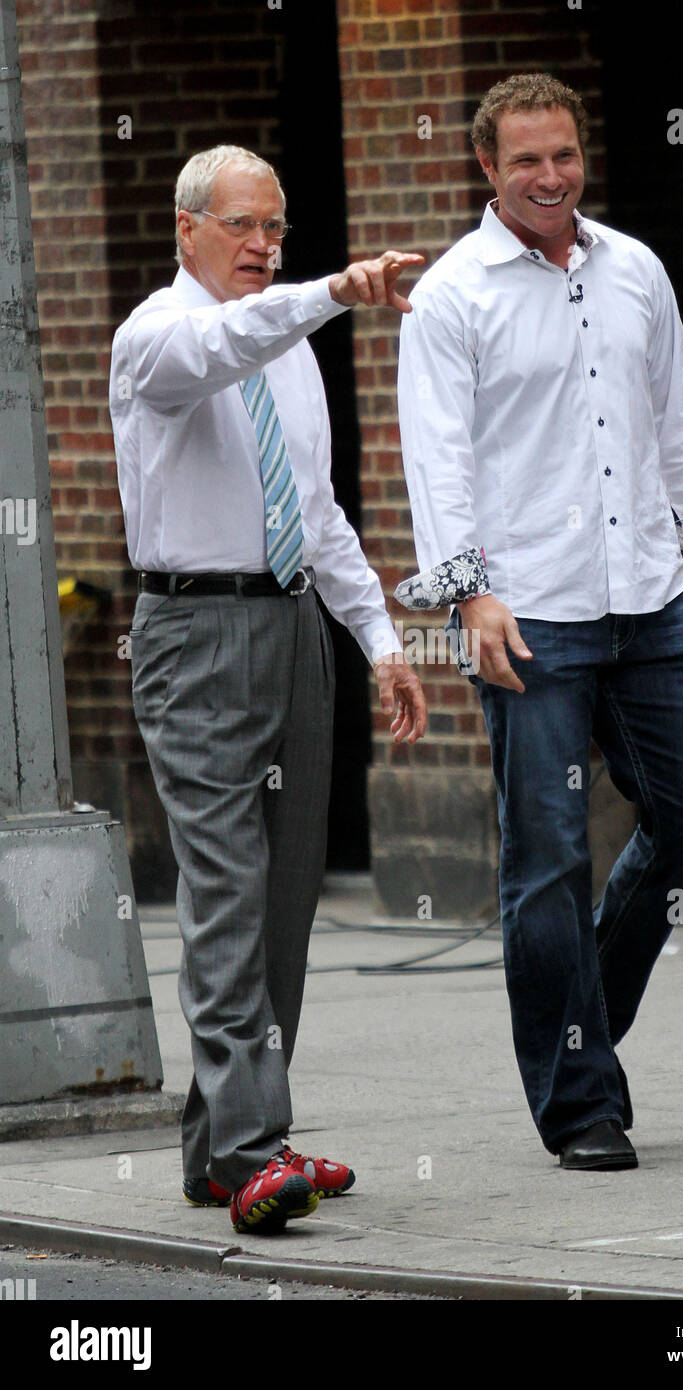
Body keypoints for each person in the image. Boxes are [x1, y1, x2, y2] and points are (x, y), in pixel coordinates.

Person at [395, 75, 683, 1172]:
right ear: (486, 169)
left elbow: (679, 414)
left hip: (649, 594)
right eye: (526, 162)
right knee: (546, 858)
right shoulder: (455, 295)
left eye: (564, 155)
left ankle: (579, 1010)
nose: (551, 177)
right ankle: (580, 1105)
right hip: (531, 615)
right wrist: (468, 591)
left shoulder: (634, 268)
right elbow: (437, 455)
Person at [110, 145, 427, 1234]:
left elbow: (322, 510)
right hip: (194, 630)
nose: (263, 247)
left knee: (284, 892)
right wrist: (331, 292)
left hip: (291, 622)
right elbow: (218, 346)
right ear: (187, 226)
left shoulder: (287, 346)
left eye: (278, 230)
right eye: (245, 227)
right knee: (229, 890)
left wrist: (381, 641)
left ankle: (224, 1146)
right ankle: (252, 1150)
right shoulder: (157, 335)